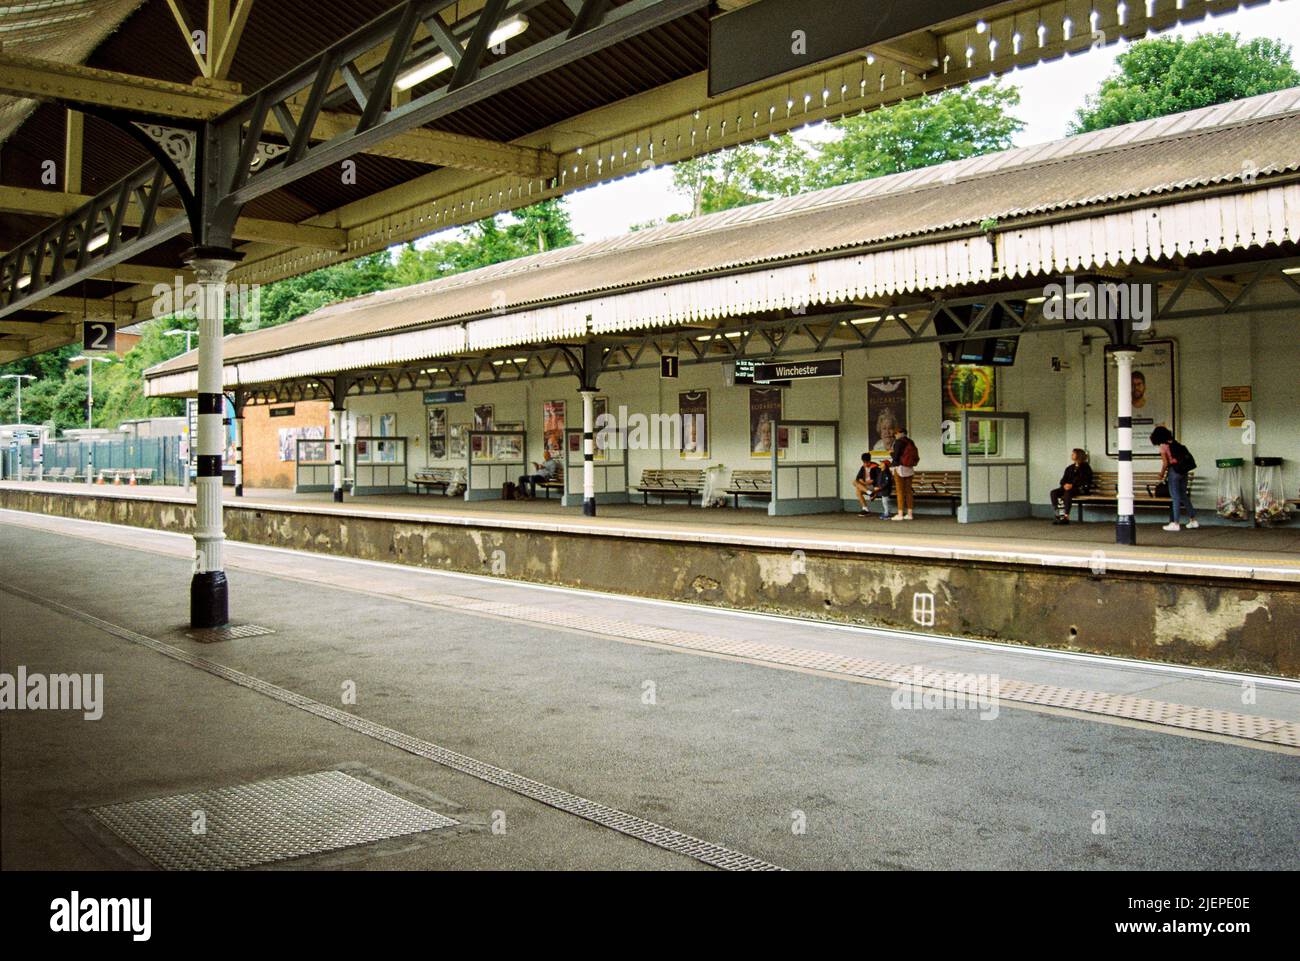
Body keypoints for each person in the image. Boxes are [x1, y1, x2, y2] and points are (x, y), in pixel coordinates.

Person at [1151, 426, 1199, 531]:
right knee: (1183, 495)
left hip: (1174, 472)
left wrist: (1161, 474)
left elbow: (1165, 463)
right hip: (1183, 471)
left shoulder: (1163, 446)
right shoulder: (1174, 442)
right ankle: (1193, 520)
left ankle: (1175, 523)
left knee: (1175, 497)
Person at [1050, 448, 1093, 524]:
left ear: (1079, 455)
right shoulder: (1070, 468)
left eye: (1073, 454)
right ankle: (1059, 515)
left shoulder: (1086, 468)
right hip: (1067, 488)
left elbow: (1085, 480)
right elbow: (1063, 480)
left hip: (1080, 489)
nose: (1071, 455)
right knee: (1054, 493)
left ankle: (1066, 516)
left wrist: (1072, 485)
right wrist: (1064, 485)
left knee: (1067, 493)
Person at [890, 426, 919, 521]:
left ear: (899, 432)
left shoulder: (898, 442)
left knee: (900, 491)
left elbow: (896, 456)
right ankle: (910, 514)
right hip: (909, 468)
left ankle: (900, 513)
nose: (895, 435)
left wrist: (891, 453)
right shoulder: (910, 441)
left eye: (895, 433)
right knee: (908, 491)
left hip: (899, 468)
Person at [852, 454, 893, 518]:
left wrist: (873, 483)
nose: (865, 464)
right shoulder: (863, 467)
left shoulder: (876, 467)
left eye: (867, 462)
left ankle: (867, 508)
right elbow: (858, 478)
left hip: (873, 487)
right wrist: (863, 482)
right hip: (866, 487)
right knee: (854, 482)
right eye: (864, 462)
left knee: (858, 490)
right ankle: (866, 507)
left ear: (869, 461)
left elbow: (879, 481)